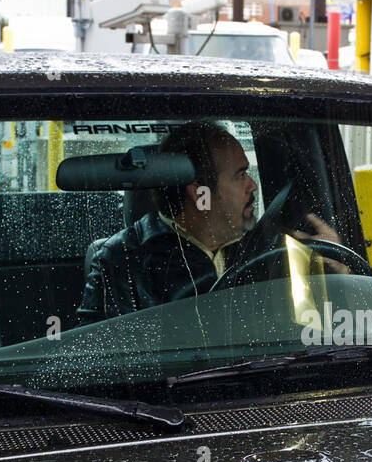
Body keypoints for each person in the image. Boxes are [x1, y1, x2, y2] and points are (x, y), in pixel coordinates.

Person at [76, 120, 340, 323]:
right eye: (240, 175)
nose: (253, 185)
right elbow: (99, 359)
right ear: (199, 193)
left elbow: (318, 334)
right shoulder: (121, 260)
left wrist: (337, 278)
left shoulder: (274, 247)